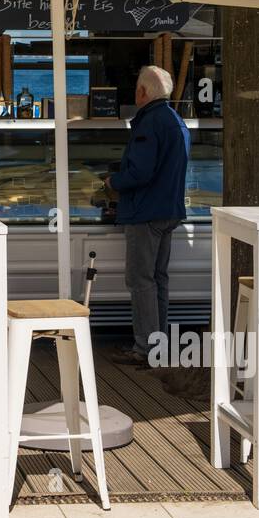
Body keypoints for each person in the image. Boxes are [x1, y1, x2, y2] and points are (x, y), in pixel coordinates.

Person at [106, 65, 190, 365]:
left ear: (142, 92)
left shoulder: (150, 123)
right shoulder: (175, 119)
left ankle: (145, 348)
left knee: (140, 280)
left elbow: (139, 172)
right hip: (169, 210)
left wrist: (112, 182)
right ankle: (159, 345)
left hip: (146, 211)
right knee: (158, 279)